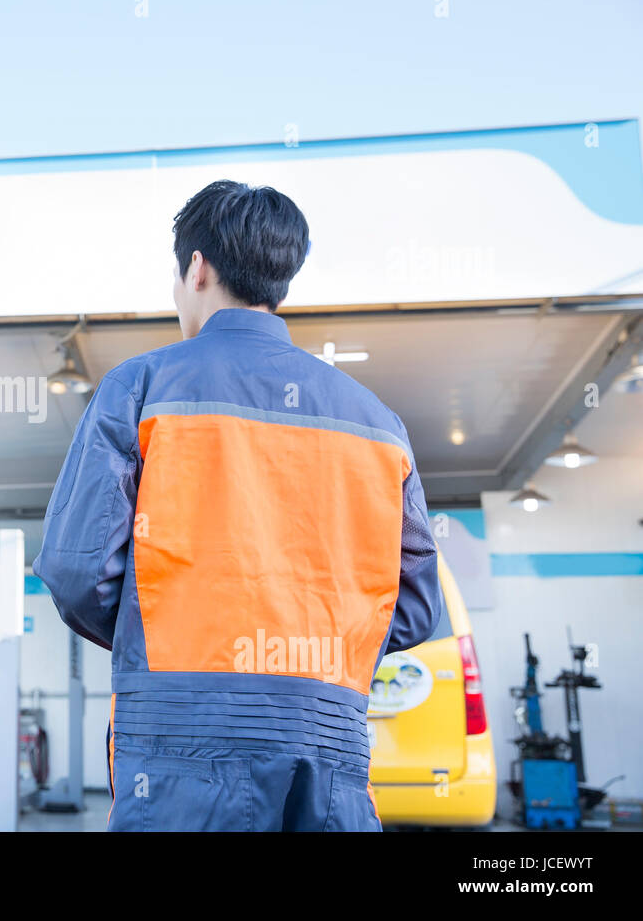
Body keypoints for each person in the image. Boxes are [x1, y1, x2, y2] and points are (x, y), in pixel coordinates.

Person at [33, 179, 443, 831]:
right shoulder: (378, 423)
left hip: (178, 742)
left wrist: (167, 643)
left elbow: (78, 571)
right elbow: (416, 605)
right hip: (330, 742)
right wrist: (314, 661)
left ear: (196, 267)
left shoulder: (140, 388)